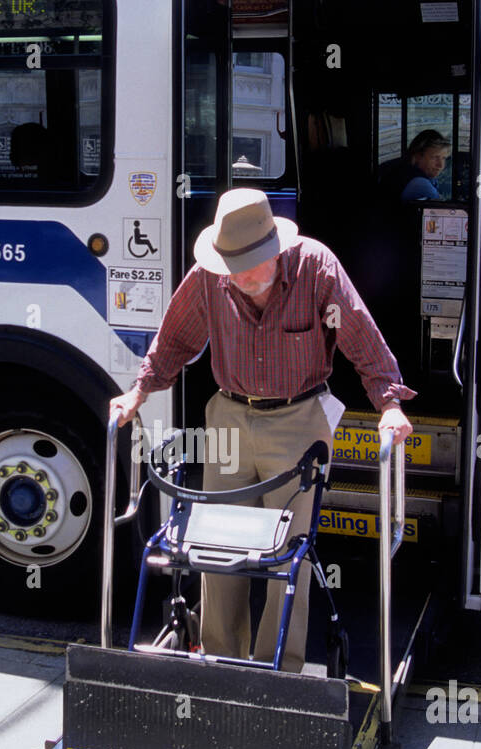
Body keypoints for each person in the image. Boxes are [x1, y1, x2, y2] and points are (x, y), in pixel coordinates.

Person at [111, 188, 415, 673]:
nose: (242, 276)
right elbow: (174, 339)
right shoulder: (213, 276)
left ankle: (279, 671)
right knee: (216, 546)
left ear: (275, 249)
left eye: (252, 265)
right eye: (233, 266)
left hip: (298, 420)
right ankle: (220, 664)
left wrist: (389, 404)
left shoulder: (315, 266)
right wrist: (138, 392)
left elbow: (361, 334)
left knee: (285, 555)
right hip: (230, 416)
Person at [399, 130, 451, 201]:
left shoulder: (410, 175)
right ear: (418, 157)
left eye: (444, 158)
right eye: (435, 157)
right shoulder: (419, 183)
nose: (440, 165)